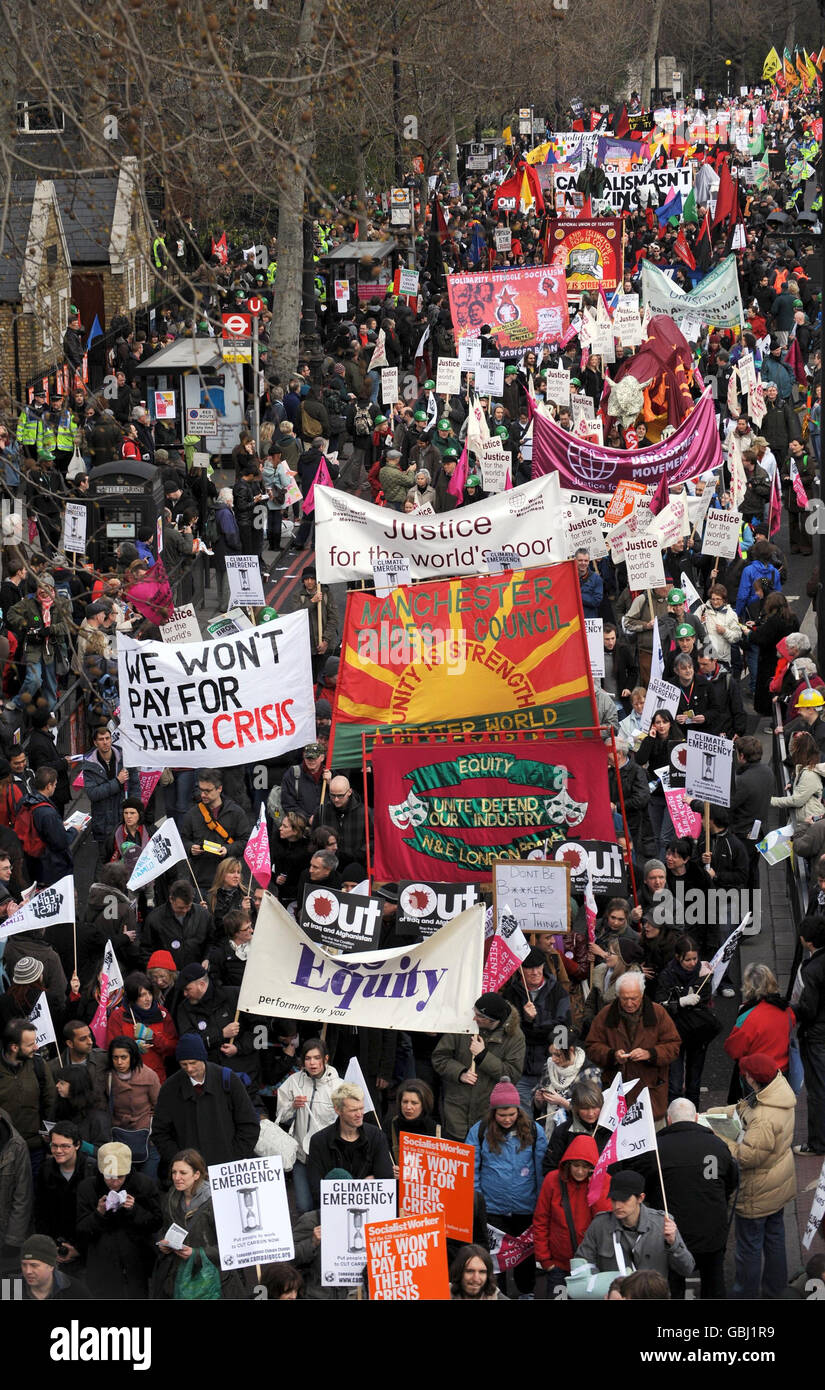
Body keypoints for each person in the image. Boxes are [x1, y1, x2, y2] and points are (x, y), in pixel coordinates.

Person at [637, 1098, 738, 1300]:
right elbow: (732, 1181)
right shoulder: (717, 1145)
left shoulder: (656, 1149)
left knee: (672, 1287)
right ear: (697, 1118)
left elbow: (644, 1186)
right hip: (711, 1232)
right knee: (714, 1284)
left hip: (670, 1232)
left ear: (668, 1119)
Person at [718, 1053, 796, 1300]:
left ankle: (745, 1294)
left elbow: (747, 1157)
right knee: (775, 1238)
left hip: (756, 1190)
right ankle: (775, 1290)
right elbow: (743, 1109)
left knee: (749, 1247)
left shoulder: (763, 1118)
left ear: (752, 1079)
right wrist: (714, 1113)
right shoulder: (777, 1090)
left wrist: (721, 1138)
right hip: (777, 1183)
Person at [466, 1081, 546, 1299]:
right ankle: (495, 1293)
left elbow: (541, 1170)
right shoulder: (480, 1130)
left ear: (519, 1110)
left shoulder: (535, 1131)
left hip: (525, 1208)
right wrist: (477, 1202)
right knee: (493, 1259)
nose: (507, 1118)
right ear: (493, 1113)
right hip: (492, 1209)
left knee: (525, 1257)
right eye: (502, 1114)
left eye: (511, 1113)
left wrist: (541, 1204)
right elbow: (471, 1169)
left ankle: (526, 1293)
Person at [152, 1035, 260, 1174]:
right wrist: (181, 1161)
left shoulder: (228, 1079)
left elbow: (249, 1124)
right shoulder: (170, 1088)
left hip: (227, 1171)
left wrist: (233, 1157)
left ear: (203, 1058)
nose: (189, 1069)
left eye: (193, 1063)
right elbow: (160, 1133)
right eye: (184, 1064)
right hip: (189, 1173)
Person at [585, 973, 681, 1126]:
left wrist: (650, 1054)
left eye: (634, 998)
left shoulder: (658, 1013)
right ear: (617, 995)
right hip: (616, 1099)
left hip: (650, 1097)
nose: (629, 1003)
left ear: (642, 994)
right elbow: (592, 1046)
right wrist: (612, 1055)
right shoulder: (605, 1015)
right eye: (624, 998)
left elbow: (674, 1046)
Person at [151, 1147, 243, 1300]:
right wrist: (164, 1243)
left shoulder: (216, 1202)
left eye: (183, 1173)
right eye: (174, 1172)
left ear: (196, 1174)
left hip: (212, 1281)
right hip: (179, 1279)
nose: (177, 1177)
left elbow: (231, 1246)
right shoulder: (170, 1198)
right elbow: (165, 1228)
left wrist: (197, 1254)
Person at [574, 1165, 695, 1281]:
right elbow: (582, 1264)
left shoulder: (662, 1223)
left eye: (624, 1199)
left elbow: (687, 1269)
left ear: (640, 1198)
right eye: (614, 1199)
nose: (617, 1205)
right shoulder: (600, 1225)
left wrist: (673, 1243)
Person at [433, 992, 526, 1141]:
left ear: (494, 1021)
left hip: (487, 1113)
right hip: (457, 1108)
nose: (474, 1018)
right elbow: (440, 1058)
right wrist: (460, 1072)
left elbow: (512, 1075)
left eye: (480, 1017)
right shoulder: (463, 1026)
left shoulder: (515, 1037)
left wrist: (483, 1056)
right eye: (474, 1013)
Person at [75, 1141, 162, 1300]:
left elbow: (156, 1222)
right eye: (109, 1177)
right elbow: (81, 1230)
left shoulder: (143, 1185)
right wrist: (99, 1214)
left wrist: (134, 1210)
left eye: (119, 1177)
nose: (114, 1182)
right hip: (102, 1267)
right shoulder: (87, 1188)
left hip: (137, 1266)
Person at [533, 1135, 611, 1291]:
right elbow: (541, 1220)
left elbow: (604, 1219)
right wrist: (545, 1260)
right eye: (576, 1165)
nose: (580, 1171)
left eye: (586, 1166)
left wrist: (594, 1186)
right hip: (558, 1265)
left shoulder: (604, 1180)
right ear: (568, 1163)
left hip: (590, 1263)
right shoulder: (552, 1180)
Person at [501, 945, 571, 1110]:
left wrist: (531, 1025)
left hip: (551, 1071)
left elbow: (563, 1029)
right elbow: (507, 1031)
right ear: (520, 970)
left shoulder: (558, 992)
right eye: (529, 968)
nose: (535, 972)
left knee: (550, 1120)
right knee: (523, 1120)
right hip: (520, 1071)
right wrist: (525, 1020)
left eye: (538, 966)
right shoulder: (511, 994)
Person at [276, 1038, 341, 1214]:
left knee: (325, 1205)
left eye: (316, 1058)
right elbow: (280, 1113)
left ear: (325, 1059)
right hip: (301, 1156)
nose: (312, 1063)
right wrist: (292, 1106)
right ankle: (306, 1238)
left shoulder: (338, 1086)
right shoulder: (294, 1081)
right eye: (308, 1058)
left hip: (327, 1157)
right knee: (304, 1206)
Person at [655, 936, 719, 1106]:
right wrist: (682, 1001)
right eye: (687, 960)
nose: (692, 963)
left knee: (694, 1083)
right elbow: (660, 1005)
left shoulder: (704, 974)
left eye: (694, 959)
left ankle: (693, 1116)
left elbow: (704, 1000)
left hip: (697, 1033)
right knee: (675, 1084)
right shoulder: (667, 975)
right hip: (674, 1034)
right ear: (678, 957)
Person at [305, 1081, 394, 1204]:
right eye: (353, 1110)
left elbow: (385, 1179)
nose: (359, 1114)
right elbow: (317, 1188)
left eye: (361, 1108)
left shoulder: (376, 1136)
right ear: (337, 1110)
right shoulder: (319, 1141)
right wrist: (363, 1185)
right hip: (332, 1208)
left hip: (371, 1207)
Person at [723, 962, 796, 1101]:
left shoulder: (748, 1017)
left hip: (755, 1076)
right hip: (781, 1074)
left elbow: (733, 1049)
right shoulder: (786, 1011)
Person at [181, 769, 252, 901]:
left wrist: (228, 850)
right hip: (201, 880)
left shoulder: (236, 812)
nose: (203, 794)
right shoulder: (192, 814)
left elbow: (245, 841)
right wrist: (190, 848)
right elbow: (183, 839)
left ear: (219, 789)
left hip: (228, 880)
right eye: (201, 790)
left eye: (207, 791)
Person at [33, 1120, 93, 1267]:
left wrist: (80, 1249)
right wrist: (50, 1245)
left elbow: (97, 1217)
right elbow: (40, 1211)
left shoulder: (92, 1170)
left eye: (65, 1146)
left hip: (88, 1249)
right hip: (55, 1246)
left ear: (77, 1145)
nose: (58, 1151)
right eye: (54, 1145)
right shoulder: (46, 1170)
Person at [0, 1019, 55, 1177]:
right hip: (4, 1148)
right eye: (30, 1045)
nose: (36, 1047)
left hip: (34, 1148)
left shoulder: (38, 1065)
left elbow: (50, 1101)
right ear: (14, 1047)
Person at [106, 972, 178, 1082]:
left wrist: (153, 1037)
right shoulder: (118, 1016)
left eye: (149, 993)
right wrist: (132, 1048)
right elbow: (111, 1049)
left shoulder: (162, 1014)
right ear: (132, 997)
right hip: (129, 1079)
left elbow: (173, 1048)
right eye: (141, 995)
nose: (148, 998)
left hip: (157, 1078)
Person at [82, 725, 139, 860]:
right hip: (103, 822)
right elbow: (93, 794)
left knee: (129, 859)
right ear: (95, 743)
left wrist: (136, 810)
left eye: (107, 738)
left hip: (124, 818)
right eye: (101, 739)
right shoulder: (89, 767)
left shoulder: (125, 758)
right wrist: (117, 782)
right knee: (106, 860)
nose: (105, 742)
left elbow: (135, 786)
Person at [795, 917, 825, 1155]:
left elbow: (808, 1009)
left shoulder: (812, 970)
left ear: (807, 941)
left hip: (817, 1036)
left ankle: (818, 1142)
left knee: (817, 1090)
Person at [141, 879, 214, 972]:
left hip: (196, 974)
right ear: (171, 899)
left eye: (188, 906)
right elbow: (146, 950)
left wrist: (207, 958)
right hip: (167, 978)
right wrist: (156, 972)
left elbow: (211, 941)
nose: (185, 911)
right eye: (180, 907)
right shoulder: (154, 919)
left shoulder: (203, 915)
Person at [382, 1079, 439, 1175]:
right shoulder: (390, 1126)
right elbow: (380, 1160)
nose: (408, 1107)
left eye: (414, 1103)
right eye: (405, 1102)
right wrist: (389, 1171)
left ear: (424, 1104)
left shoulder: (436, 1130)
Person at [771, 730, 824, 830]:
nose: (791, 749)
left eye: (794, 746)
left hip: (809, 824)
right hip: (805, 820)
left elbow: (797, 800)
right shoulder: (807, 768)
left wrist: (772, 800)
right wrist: (794, 783)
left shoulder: (809, 774)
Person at [0, 1105, 33, 1264]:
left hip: (6, 1235)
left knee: (10, 1287)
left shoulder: (17, 1147)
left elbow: (23, 1197)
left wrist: (14, 1239)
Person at [19, 1233, 91, 1300]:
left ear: (51, 1266)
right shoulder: (11, 1286)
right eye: (24, 1265)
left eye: (34, 1265)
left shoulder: (75, 1291)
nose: (28, 1271)